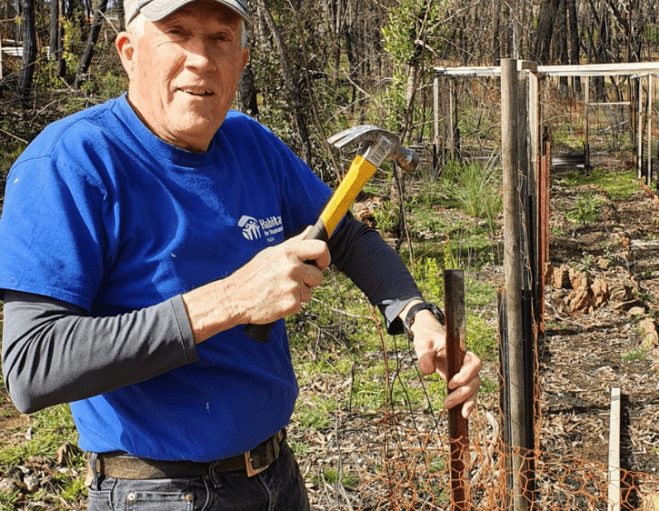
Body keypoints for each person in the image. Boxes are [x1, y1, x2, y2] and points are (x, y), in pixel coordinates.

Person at [0, 0, 482, 509]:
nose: (201, 59)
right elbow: (34, 365)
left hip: (276, 476)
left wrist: (417, 315)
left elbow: (346, 237)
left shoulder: (250, 143)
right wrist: (231, 299)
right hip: (156, 491)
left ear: (242, 61)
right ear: (128, 51)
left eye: (220, 39)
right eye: (177, 33)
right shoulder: (71, 163)